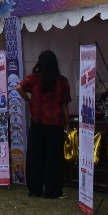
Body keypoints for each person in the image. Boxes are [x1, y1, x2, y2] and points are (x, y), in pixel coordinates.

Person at [18, 50, 72, 199]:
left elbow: (19, 87)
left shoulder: (34, 79)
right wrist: (67, 126)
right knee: (53, 159)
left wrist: (28, 100)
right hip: (55, 124)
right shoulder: (62, 81)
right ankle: (52, 191)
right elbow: (65, 105)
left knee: (36, 157)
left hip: (37, 122)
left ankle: (35, 190)